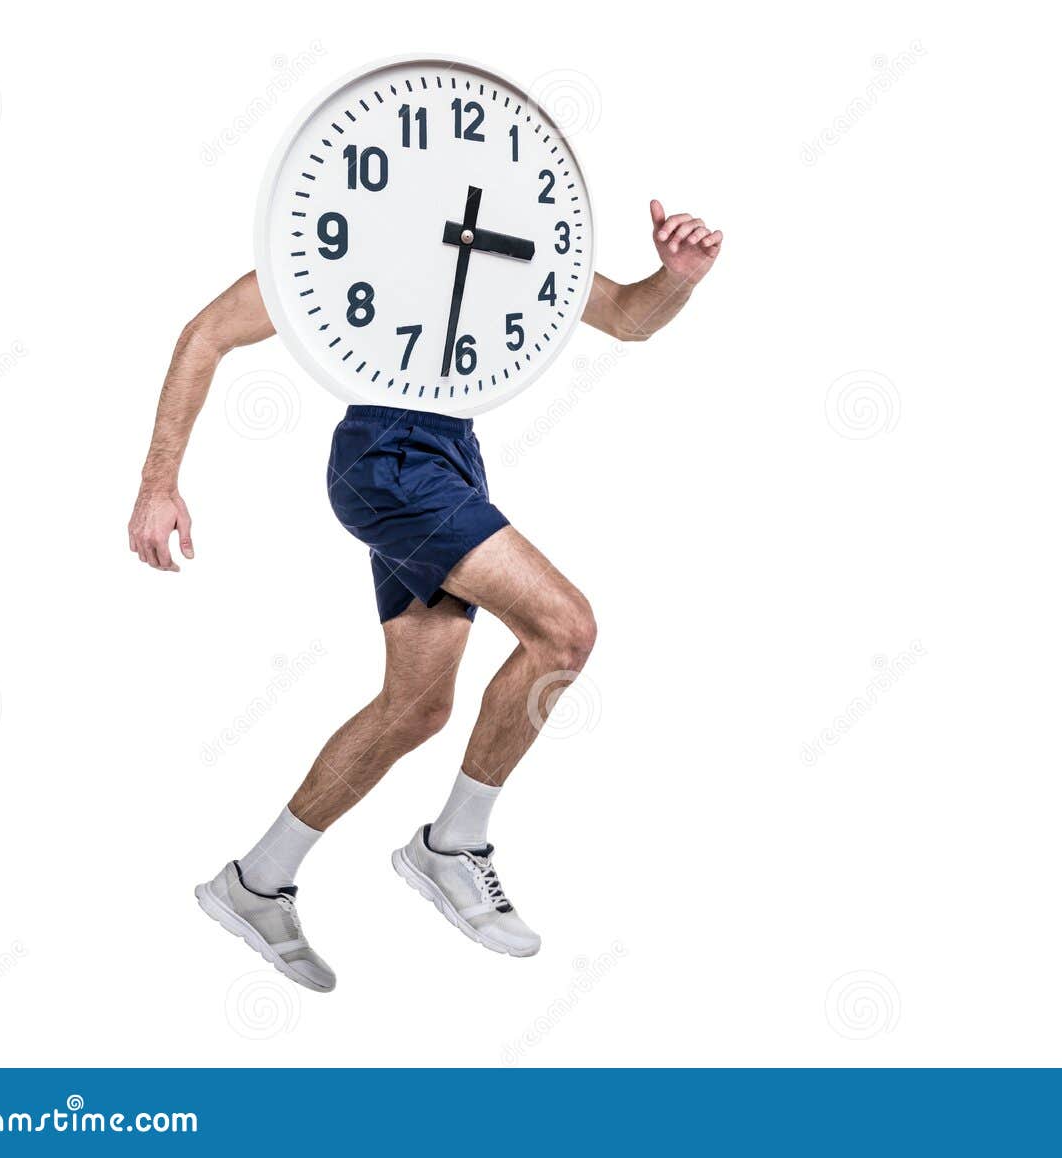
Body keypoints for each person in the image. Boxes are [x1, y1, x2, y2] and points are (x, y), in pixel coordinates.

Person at [128, 201, 722, 991]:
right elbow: (206, 331)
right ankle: (452, 846)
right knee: (565, 631)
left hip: (450, 456)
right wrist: (157, 482)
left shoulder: (513, 243)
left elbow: (625, 317)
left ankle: (256, 883)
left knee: (416, 707)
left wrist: (675, 278)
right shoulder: (360, 236)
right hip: (387, 454)